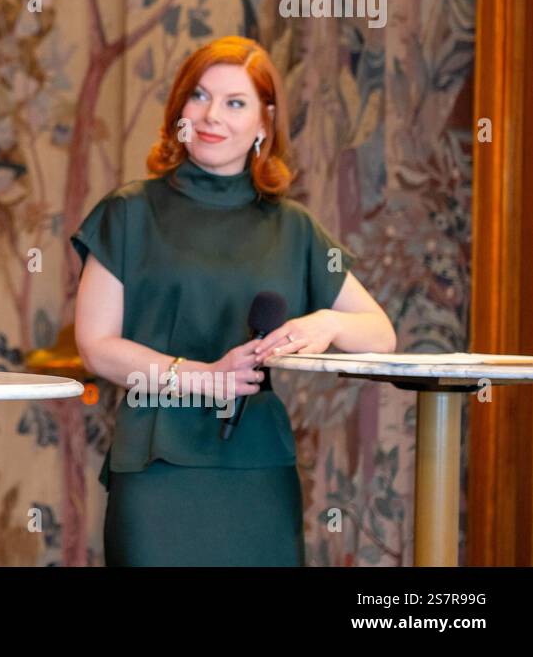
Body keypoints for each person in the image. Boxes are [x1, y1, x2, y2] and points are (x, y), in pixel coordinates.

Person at [71, 35, 396, 566]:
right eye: (199, 96)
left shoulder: (293, 228)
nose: (211, 115)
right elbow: (96, 347)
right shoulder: (128, 212)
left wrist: (325, 324)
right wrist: (206, 377)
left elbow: (381, 335)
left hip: (258, 470)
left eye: (234, 102)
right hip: (157, 468)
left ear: (264, 123)